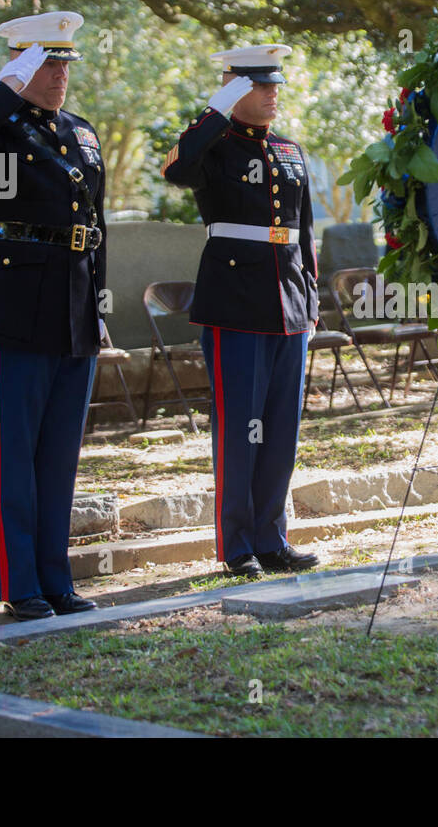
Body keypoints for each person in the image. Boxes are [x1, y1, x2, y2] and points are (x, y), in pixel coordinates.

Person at [0, 11, 106, 621]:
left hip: (73, 306)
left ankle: (57, 579)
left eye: (64, 63)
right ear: (21, 65)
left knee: (59, 455)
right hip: (13, 305)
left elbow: (95, 227)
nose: (59, 75)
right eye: (47, 63)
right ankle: (23, 584)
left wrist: (98, 307)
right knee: (17, 453)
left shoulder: (81, 134)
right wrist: (5, 88)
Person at [161, 44, 320, 579]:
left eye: (276, 84)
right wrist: (215, 107)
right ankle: (237, 544)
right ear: (234, 89)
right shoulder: (214, 147)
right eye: (260, 85)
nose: (274, 93)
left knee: (280, 428)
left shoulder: (291, 151)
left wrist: (311, 300)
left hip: (288, 303)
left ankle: (273, 538)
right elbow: (178, 170)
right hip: (235, 301)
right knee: (241, 426)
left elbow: (305, 233)